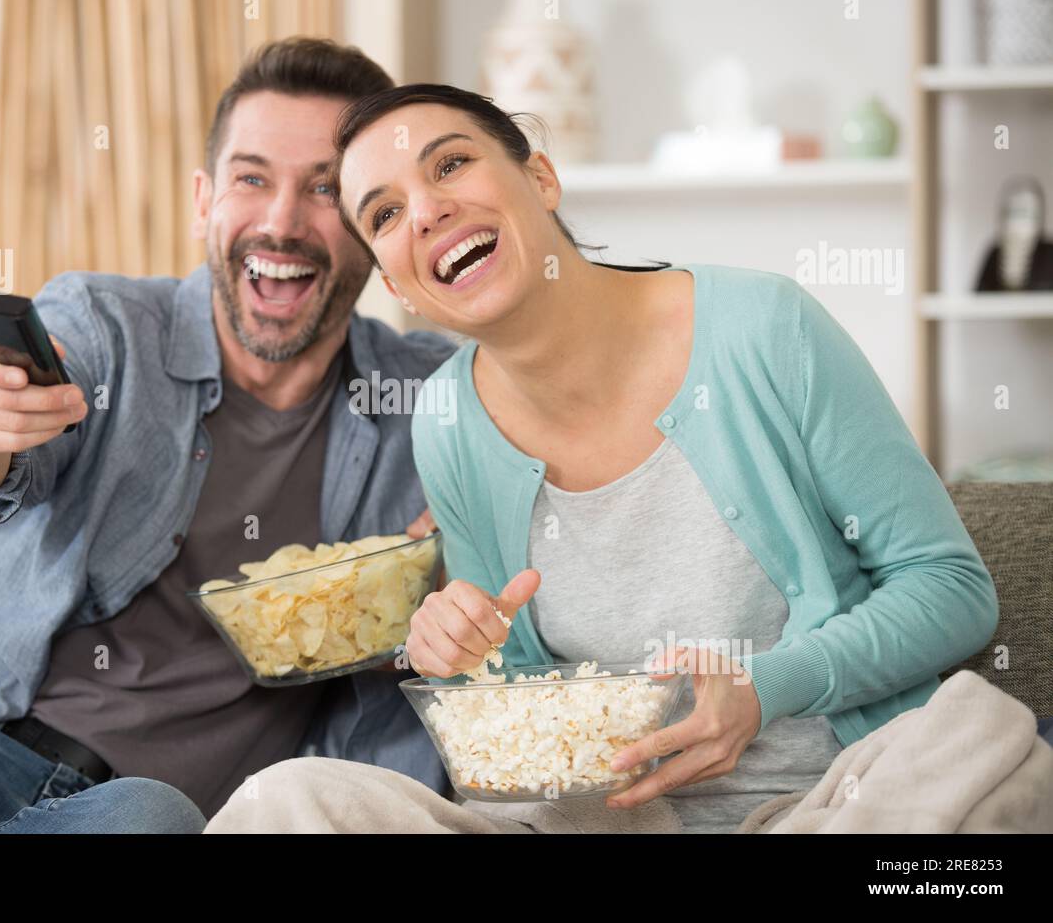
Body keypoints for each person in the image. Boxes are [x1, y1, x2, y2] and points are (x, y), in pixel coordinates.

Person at [203, 83, 1000, 834]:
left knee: (992, 751)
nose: (428, 210)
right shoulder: (447, 418)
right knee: (282, 803)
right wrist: (461, 659)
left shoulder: (765, 329)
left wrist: (766, 688)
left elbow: (953, 590)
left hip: (830, 804)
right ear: (400, 287)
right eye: (384, 213)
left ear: (540, 177)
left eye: (450, 163)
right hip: (600, 822)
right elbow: (515, 695)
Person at [0, 41, 456, 833]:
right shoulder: (105, 326)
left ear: (372, 219)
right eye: (251, 178)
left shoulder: (429, 402)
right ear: (204, 200)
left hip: (143, 804)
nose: (281, 222)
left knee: (147, 821)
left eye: (326, 189)